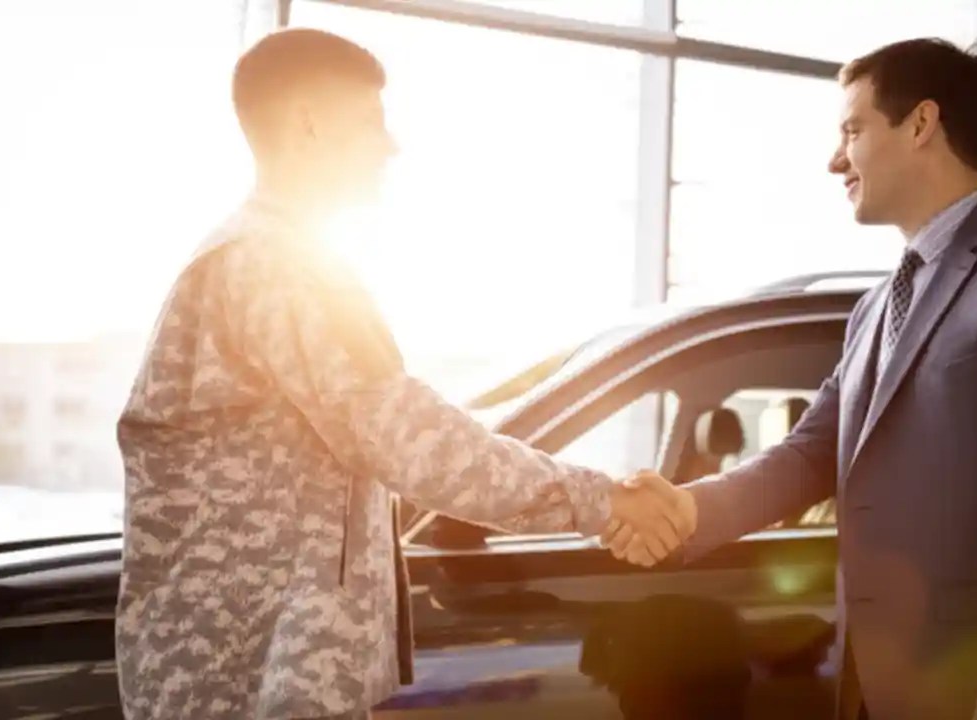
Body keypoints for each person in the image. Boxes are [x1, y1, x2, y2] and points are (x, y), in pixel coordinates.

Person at [114, 28, 692, 720]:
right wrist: (602, 502)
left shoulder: (262, 257)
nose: (390, 146)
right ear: (309, 124)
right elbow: (408, 436)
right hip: (251, 681)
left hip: (250, 672)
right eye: (371, 122)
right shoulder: (276, 267)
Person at [607, 38, 977, 720]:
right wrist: (686, 510)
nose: (834, 160)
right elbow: (811, 453)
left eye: (852, 130)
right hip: (872, 685)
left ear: (920, 125)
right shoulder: (876, 307)